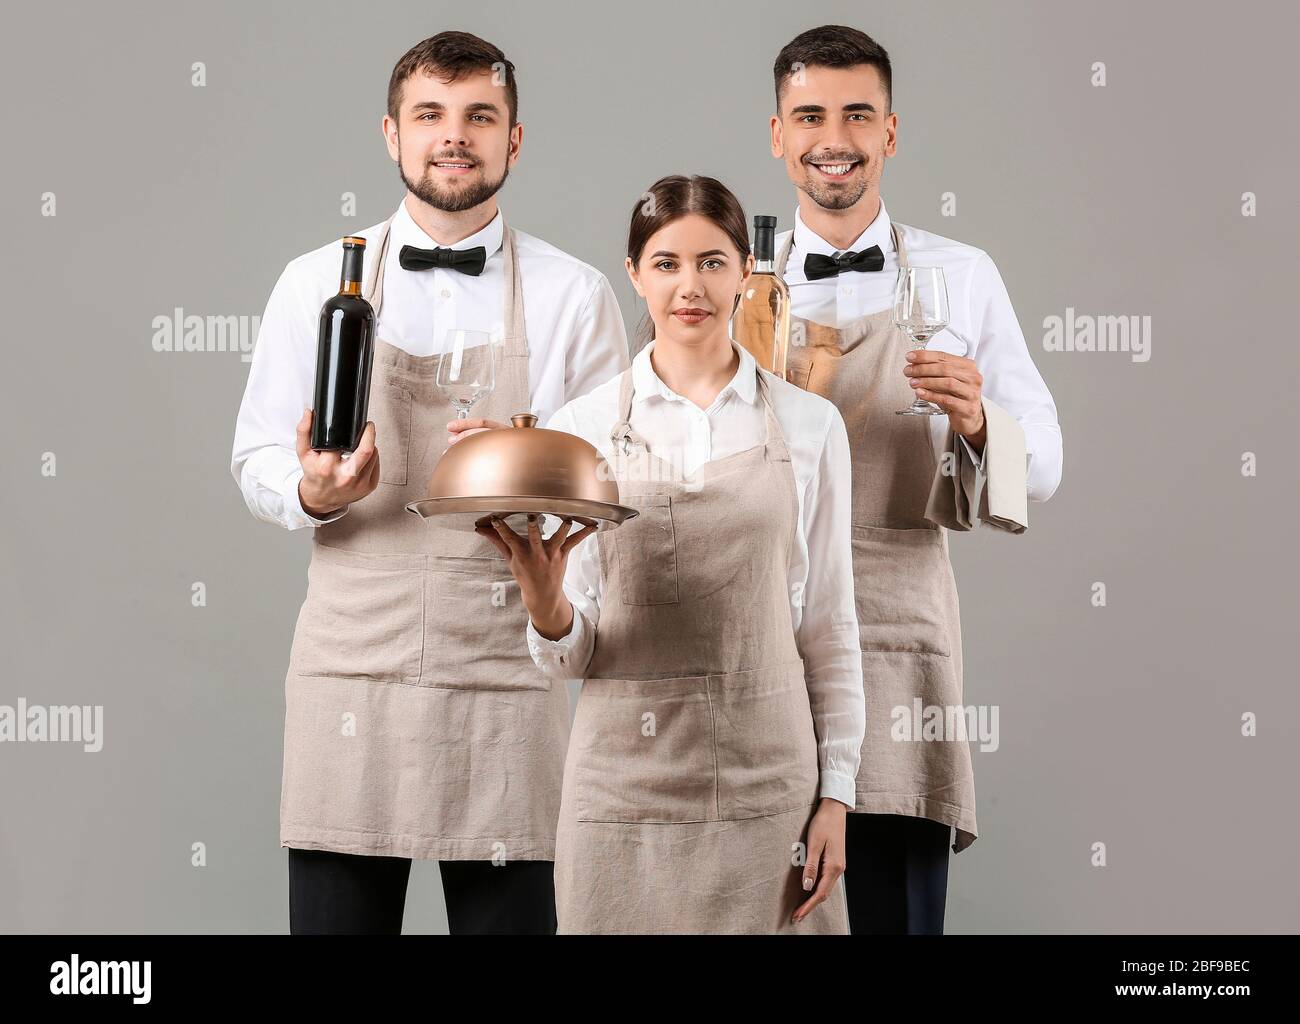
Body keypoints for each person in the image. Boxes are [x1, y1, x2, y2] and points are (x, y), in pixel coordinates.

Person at [229, 31, 629, 934]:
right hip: (350, 665)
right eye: (431, 116)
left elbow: (610, 491)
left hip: (506, 669)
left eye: (480, 116)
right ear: (391, 134)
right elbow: (256, 457)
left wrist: (526, 459)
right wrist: (314, 494)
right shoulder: (309, 286)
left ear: (513, 141)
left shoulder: (575, 295)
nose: (455, 137)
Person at [473, 175, 866, 933]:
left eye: (713, 262)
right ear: (634, 273)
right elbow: (573, 655)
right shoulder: (580, 429)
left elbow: (829, 625)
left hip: (768, 785)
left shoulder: (810, 425)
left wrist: (837, 797)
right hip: (623, 790)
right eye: (667, 263)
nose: (691, 286)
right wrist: (544, 602)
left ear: (746, 271)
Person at [763, 25, 1063, 934]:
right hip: (763, 633)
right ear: (777, 134)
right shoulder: (735, 280)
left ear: (890, 133)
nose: (834, 137)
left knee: (896, 912)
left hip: (899, 642)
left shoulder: (961, 276)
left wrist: (975, 422)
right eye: (810, 115)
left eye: (858, 114)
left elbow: (1044, 462)